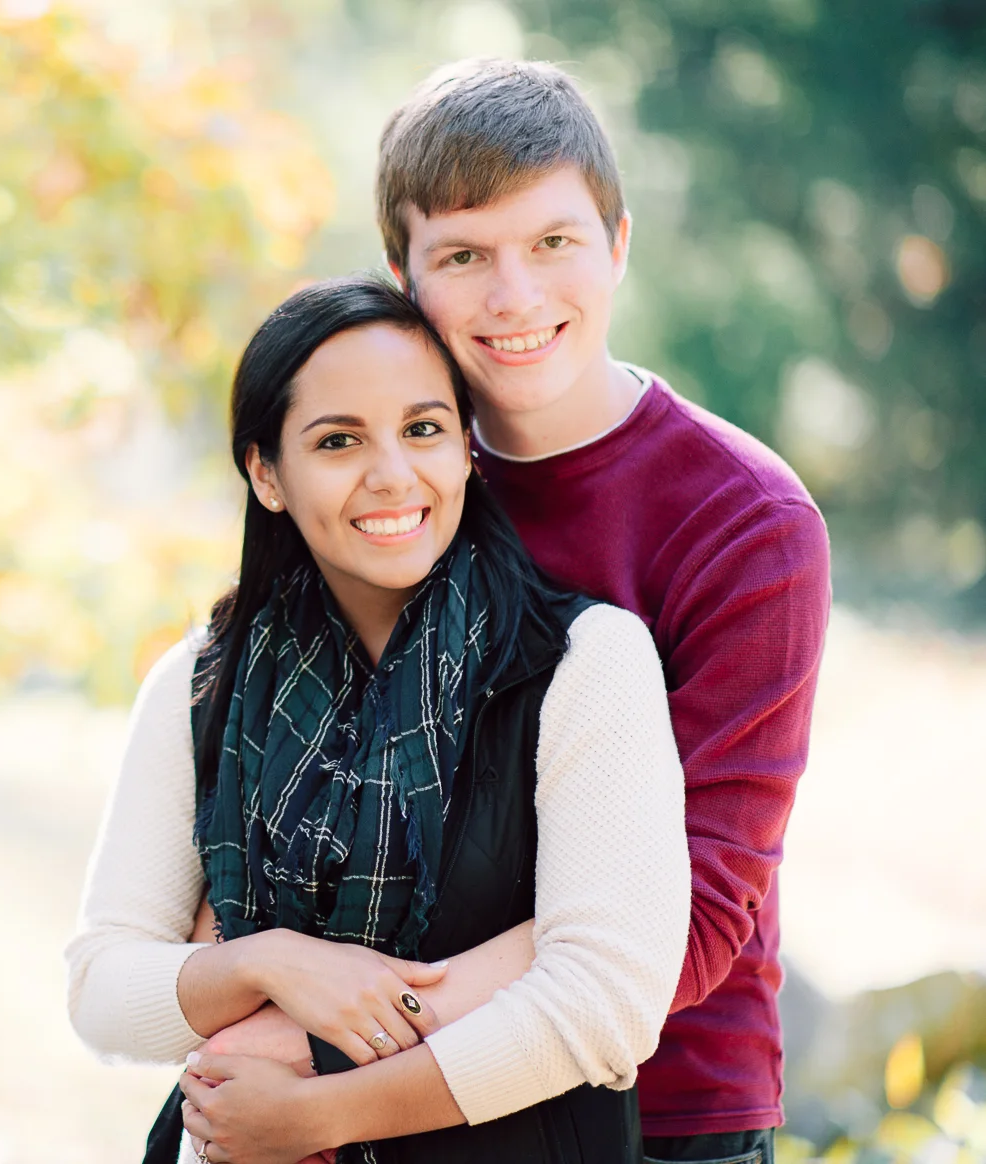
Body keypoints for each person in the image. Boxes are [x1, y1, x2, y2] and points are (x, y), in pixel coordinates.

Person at [66, 275, 690, 1163]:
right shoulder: (200, 684)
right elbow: (100, 989)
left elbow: (607, 1001)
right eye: (338, 440)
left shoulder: (584, 663)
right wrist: (267, 963)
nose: (393, 474)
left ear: (468, 449)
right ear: (266, 473)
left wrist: (322, 1104)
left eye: (424, 429)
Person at [373, 60, 832, 1164]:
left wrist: (354, 1042)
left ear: (618, 243)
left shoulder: (744, 519)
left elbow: (702, 909)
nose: (514, 297)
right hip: (397, 1100)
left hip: (655, 1106)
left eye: (552, 244)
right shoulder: (388, 495)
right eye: (464, 257)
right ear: (402, 275)